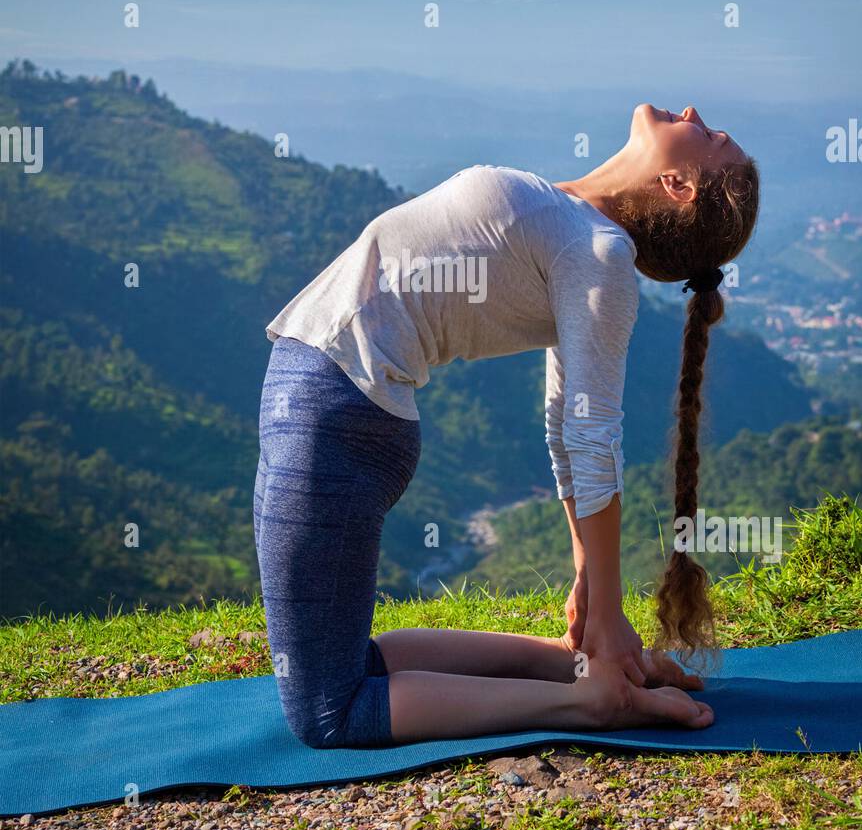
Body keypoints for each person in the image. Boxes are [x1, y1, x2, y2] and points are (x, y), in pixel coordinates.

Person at [253, 104, 760, 747]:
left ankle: (592, 704)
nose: (693, 113)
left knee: (330, 712)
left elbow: (591, 434)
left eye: (710, 136)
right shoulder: (578, 227)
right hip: (324, 401)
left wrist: (606, 609)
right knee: (349, 665)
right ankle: (578, 669)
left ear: (680, 185)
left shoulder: (598, 254)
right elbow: (561, 428)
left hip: (334, 413)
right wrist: (588, 592)